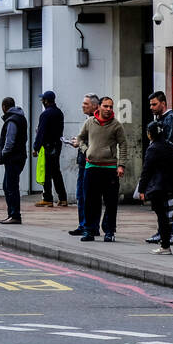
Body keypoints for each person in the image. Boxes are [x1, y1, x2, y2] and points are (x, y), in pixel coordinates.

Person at [75, 95, 127, 243]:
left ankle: (109, 231)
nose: (108, 109)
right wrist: (86, 150)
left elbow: (123, 145)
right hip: (91, 167)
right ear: (99, 107)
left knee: (110, 202)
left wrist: (121, 165)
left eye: (111, 107)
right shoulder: (89, 122)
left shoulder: (116, 125)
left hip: (110, 168)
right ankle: (90, 230)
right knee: (90, 201)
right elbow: (80, 138)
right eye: (106, 106)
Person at [138, 121, 173, 255]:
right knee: (170, 216)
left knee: (162, 218)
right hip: (171, 187)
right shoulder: (171, 146)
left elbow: (146, 171)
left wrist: (141, 190)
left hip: (158, 189)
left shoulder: (152, 148)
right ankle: (166, 243)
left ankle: (165, 246)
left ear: (150, 134)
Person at [68, 94, 101, 237]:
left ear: (95, 106)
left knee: (84, 195)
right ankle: (87, 225)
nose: (83, 106)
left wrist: (79, 144)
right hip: (86, 161)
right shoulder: (88, 120)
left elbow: (93, 144)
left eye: (86, 104)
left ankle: (87, 226)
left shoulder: (95, 121)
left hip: (89, 162)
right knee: (85, 195)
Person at [146, 93, 173, 242]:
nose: (151, 107)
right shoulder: (161, 119)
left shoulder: (170, 119)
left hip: (167, 172)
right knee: (165, 205)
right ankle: (165, 233)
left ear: (163, 103)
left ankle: (168, 234)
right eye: (151, 104)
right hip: (163, 172)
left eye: (154, 104)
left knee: (168, 205)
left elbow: (170, 144)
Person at [31, 90, 68, 207]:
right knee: (56, 172)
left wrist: (35, 147)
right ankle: (62, 198)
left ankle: (47, 198)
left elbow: (41, 132)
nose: (42, 101)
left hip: (48, 146)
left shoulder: (45, 114)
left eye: (43, 100)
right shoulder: (59, 113)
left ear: (46, 101)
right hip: (57, 145)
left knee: (47, 172)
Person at [0, 96, 28, 224]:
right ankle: (12, 214)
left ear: (4, 107)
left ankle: (15, 215)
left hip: (13, 157)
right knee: (8, 185)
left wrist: (4, 153)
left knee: (11, 187)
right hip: (19, 156)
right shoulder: (21, 118)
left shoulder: (12, 121)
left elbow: (9, 141)